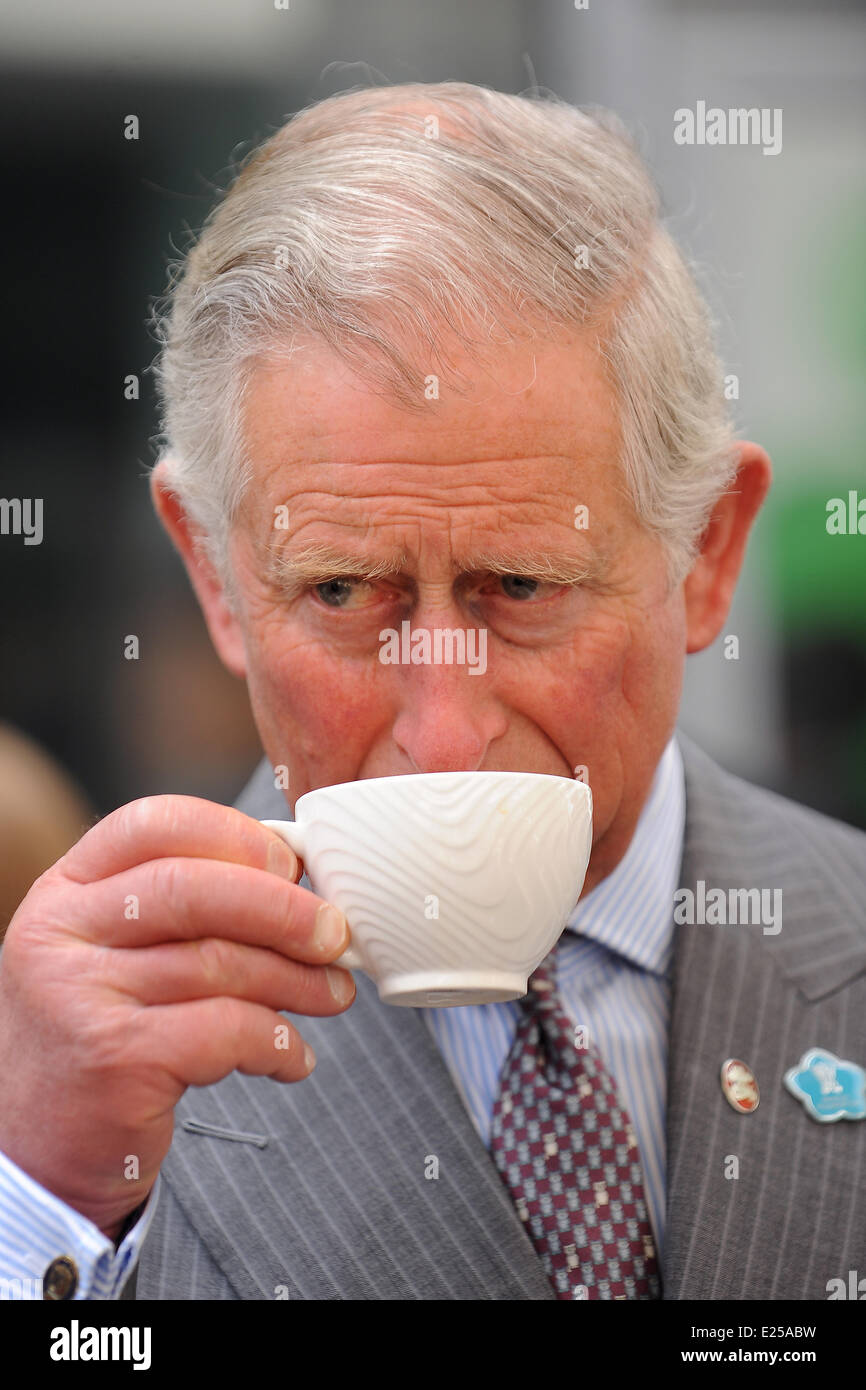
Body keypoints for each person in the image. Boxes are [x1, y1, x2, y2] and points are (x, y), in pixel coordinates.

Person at [1, 81, 863, 1303]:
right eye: (347, 593)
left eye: (520, 585)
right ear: (215, 575)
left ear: (707, 553)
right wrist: (40, 1198)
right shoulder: (77, 1081)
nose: (445, 732)